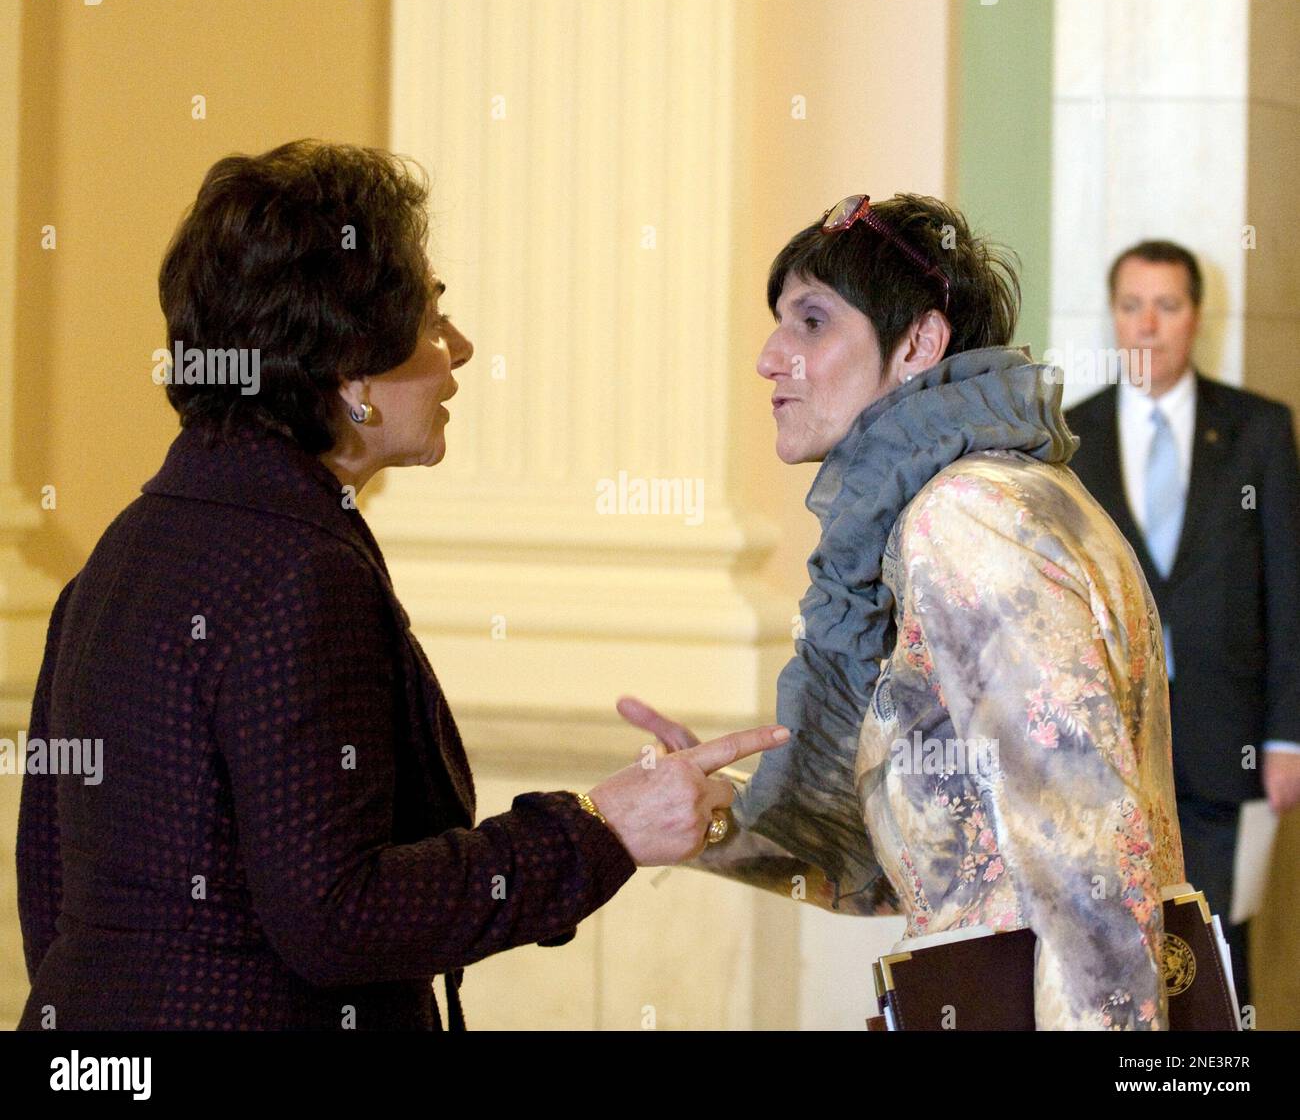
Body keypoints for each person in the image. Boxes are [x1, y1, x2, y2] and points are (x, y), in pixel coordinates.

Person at [15, 140, 788, 1032]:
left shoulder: (122, 552)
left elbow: (52, 897)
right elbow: (340, 918)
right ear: (348, 373)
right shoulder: (300, 572)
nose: (458, 349)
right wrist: (600, 828)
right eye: (428, 321)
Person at [620, 193, 1186, 1030]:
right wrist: (716, 817)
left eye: (811, 322)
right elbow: (957, 845)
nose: (772, 358)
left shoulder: (966, 517)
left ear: (919, 344)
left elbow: (1089, 866)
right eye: (779, 322)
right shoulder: (998, 492)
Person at [1065, 240, 1300, 1012]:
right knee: (1115, 958)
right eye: (1132, 306)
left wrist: (1286, 737)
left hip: (1221, 748)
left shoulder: (1258, 430)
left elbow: (1287, 591)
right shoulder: (1069, 437)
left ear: (1195, 317)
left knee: (1217, 958)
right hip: (1107, 752)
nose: (1148, 327)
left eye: (1166, 306)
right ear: (1114, 316)